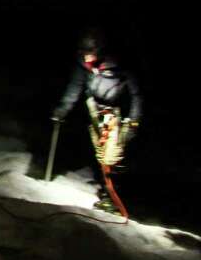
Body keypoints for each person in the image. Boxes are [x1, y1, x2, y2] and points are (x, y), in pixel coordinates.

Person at [51, 28, 143, 212]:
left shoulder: (119, 64)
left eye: (90, 53)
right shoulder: (83, 65)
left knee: (113, 155)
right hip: (95, 109)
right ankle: (105, 190)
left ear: (100, 51)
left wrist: (134, 120)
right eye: (83, 53)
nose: (87, 58)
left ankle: (114, 198)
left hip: (117, 112)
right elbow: (75, 87)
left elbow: (136, 93)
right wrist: (63, 109)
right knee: (101, 154)